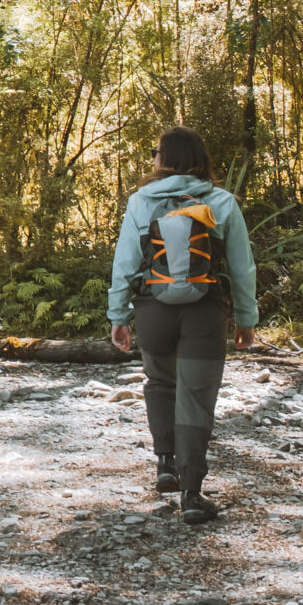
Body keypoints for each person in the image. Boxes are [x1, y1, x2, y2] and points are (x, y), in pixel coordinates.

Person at [107, 125, 257, 524]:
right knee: (196, 396)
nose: (153, 157)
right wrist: (246, 319)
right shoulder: (222, 201)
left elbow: (125, 262)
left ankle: (165, 464)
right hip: (205, 310)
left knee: (160, 382)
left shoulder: (140, 201)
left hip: (152, 309)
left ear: (165, 159)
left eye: (155, 151)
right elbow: (242, 268)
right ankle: (192, 494)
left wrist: (118, 316)